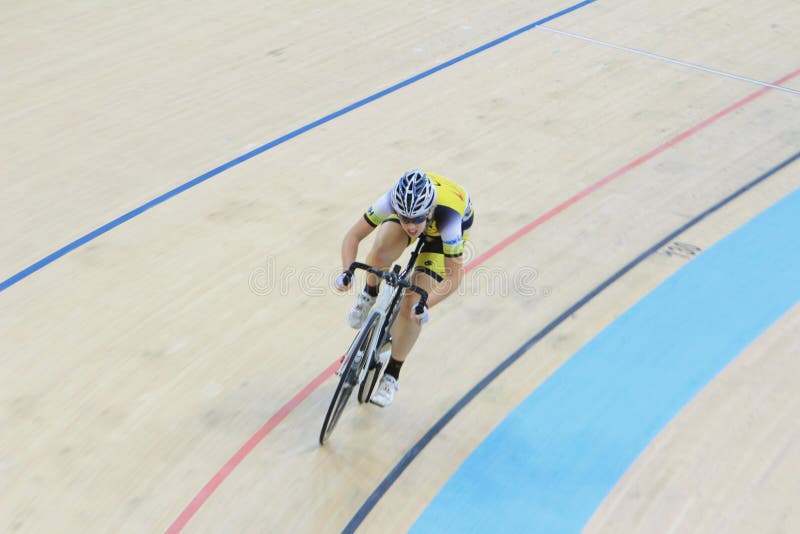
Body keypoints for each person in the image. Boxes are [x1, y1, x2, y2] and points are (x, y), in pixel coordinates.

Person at [334, 169, 474, 407]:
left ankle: (391, 375)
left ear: (428, 210)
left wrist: (425, 303)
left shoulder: (449, 220)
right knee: (380, 251)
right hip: (419, 211)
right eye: (404, 219)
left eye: (417, 219)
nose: (411, 226)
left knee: (411, 305)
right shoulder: (392, 201)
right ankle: (369, 295)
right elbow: (353, 237)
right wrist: (346, 271)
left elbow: (454, 276)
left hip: (441, 236)